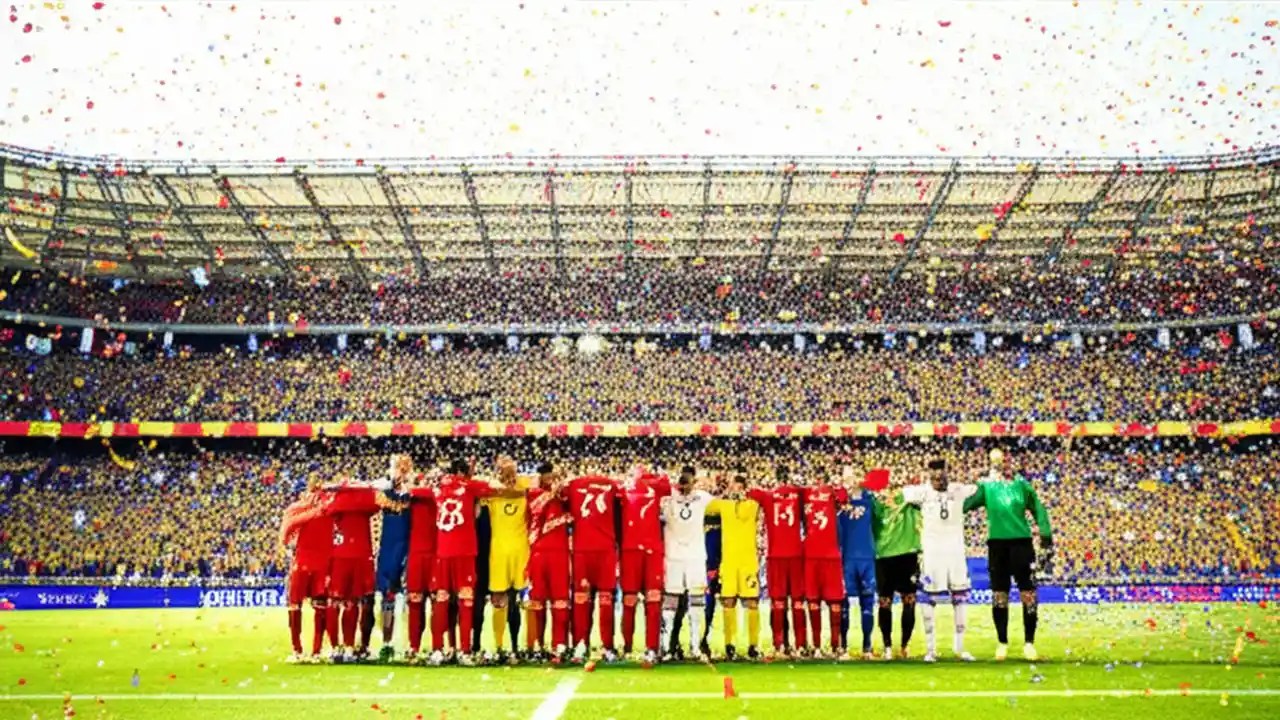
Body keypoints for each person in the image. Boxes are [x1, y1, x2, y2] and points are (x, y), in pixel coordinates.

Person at [963, 448, 1054, 661]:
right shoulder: (986, 486)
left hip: (1022, 544)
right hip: (997, 546)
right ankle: (1002, 642)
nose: (1001, 465)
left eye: (1004, 461)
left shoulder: (1022, 485)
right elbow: (965, 505)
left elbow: (1039, 509)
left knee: (1028, 594)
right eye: (996, 462)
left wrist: (1045, 534)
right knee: (999, 595)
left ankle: (1029, 643)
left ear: (1010, 462)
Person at [414, 458, 498, 666]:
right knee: (466, 602)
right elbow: (494, 488)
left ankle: (437, 650)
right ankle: (464, 651)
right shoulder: (470, 487)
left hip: (443, 552)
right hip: (465, 552)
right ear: (464, 473)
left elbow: (414, 490)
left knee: (441, 601)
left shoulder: (437, 487)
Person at [901, 458, 977, 663]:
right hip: (932, 552)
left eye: (941, 475)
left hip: (955, 551)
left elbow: (979, 489)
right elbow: (902, 494)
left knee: (960, 598)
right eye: (933, 476)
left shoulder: (959, 490)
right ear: (929, 475)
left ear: (947, 473)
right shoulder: (921, 492)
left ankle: (960, 648)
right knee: (928, 600)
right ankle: (931, 649)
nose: (937, 480)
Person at [565, 465, 623, 662]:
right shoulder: (610, 485)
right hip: (591, 550)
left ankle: (597, 645)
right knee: (592, 601)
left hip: (597, 550)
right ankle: (586, 644)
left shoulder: (574, 486)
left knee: (593, 601)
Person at [748, 465, 806, 656]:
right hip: (796, 554)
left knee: (778, 604)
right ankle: (800, 646)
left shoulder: (767, 495)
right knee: (797, 603)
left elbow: (750, 492)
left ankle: (779, 645)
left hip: (776, 556)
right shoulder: (798, 493)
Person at [324, 478, 383, 662]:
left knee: (335, 603)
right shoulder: (362, 502)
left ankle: (337, 647)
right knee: (352, 603)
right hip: (359, 555)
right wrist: (359, 489)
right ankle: (348, 647)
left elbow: (329, 508)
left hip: (340, 556)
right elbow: (375, 505)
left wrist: (347, 490)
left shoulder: (336, 501)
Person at [706, 469, 762, 660]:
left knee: (752, 603)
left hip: (748, 563)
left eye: (738, 485)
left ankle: (753, 645)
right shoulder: (722, 505)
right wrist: (718, 487)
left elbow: (758, 499)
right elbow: (705, 507)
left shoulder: (753, 504)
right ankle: (729, 645)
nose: (735, 489)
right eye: (733, 485)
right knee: (728, 602)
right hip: (728, 562)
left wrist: (746, 494)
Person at [660, 466, 715, 661]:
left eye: (688, 481)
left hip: (695, 556)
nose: (685, 486)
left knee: (696, 602)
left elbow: (720, 505)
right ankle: (667, 647)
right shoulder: (667, 497)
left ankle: (695, 646)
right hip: (673, 556)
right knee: (670, 603)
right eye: (682, 482)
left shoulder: (703, 497)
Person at [619, 464, 671, 664]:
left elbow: (667, 486)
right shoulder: (621, 489)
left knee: (653, 600)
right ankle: (628, 646)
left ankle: (652, 647)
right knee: (629, 600)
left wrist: (647, 476)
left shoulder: (654, 487)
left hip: (652, 551)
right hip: (630, 550)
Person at [279, 477, 334, 663]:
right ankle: (308, 651)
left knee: (303, 605)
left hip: (309, 562)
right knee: (310, 605)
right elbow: (287, 528)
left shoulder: (325, 508)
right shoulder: (323, 508)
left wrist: (286, 543)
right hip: (316, 563)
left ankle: (304, 651)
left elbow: (287, 529)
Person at [482, 457, 530, 662]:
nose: (509, 476)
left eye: (512, 472)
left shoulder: (523, 487)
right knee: (499, 599)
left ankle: (523, 646)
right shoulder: (491, 491)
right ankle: (500, 646)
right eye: (504, 472)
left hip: (522, 551)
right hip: (498, 551)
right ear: (498, 473)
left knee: (522, 600)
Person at [872, 471, 923, 660]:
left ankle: (902, 646)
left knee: (907, 601)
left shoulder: (908, 498)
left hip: (904, 555)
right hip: (886, 557)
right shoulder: (876, 503)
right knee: (887, 602)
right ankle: (890, 646)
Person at [526, 462, 572, 662]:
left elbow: (569, 497)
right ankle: (538, 644)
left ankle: (559, 645)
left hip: (559, 554)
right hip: (538, 553)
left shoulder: (564, 497)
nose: (551, 480)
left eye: (553, 477)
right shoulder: (534, 494)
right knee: (538, 601)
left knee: (560, 601)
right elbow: (535, 509)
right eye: (548, 476)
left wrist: (561, 486)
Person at [801, 468, 847, 657]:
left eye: (821, 479)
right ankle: (817, 646)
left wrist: (836, 486)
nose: (818, 483)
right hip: (811, 555)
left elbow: (844, 499)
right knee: (813, 602)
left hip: (831, 556)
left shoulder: (832, 494)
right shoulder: (804, 494)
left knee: (835, 602)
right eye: (815, 478)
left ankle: (835, 645)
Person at [373, 454, 414, 663]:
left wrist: (410, 485)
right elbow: (375, 495)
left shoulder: (415, 494)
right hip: (388, 549)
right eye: (398, 467)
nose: (402, 471)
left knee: (410, 598)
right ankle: (386, 643)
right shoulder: (384, 491)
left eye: (405, 467)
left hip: (409, 549)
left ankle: (408, 645)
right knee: (386, 598)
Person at [837, 467, 879, 660]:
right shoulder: (837, 502)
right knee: (843, 604)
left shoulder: (870, 500)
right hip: (846, 559)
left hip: (866, 558)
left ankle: (867, 647)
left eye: (853, 476)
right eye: (846, 478)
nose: (850, 481)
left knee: (867, 603)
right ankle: (843, 647)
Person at [403, 467, 439, 662]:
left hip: (435, 556)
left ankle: (437, 647)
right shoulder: (413, 499)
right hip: (416, 556)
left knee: (437, 604)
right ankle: (414, 647)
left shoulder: (439, 497)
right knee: (415, 603)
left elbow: (428, 492)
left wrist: (416, 487)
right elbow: (405, 489)